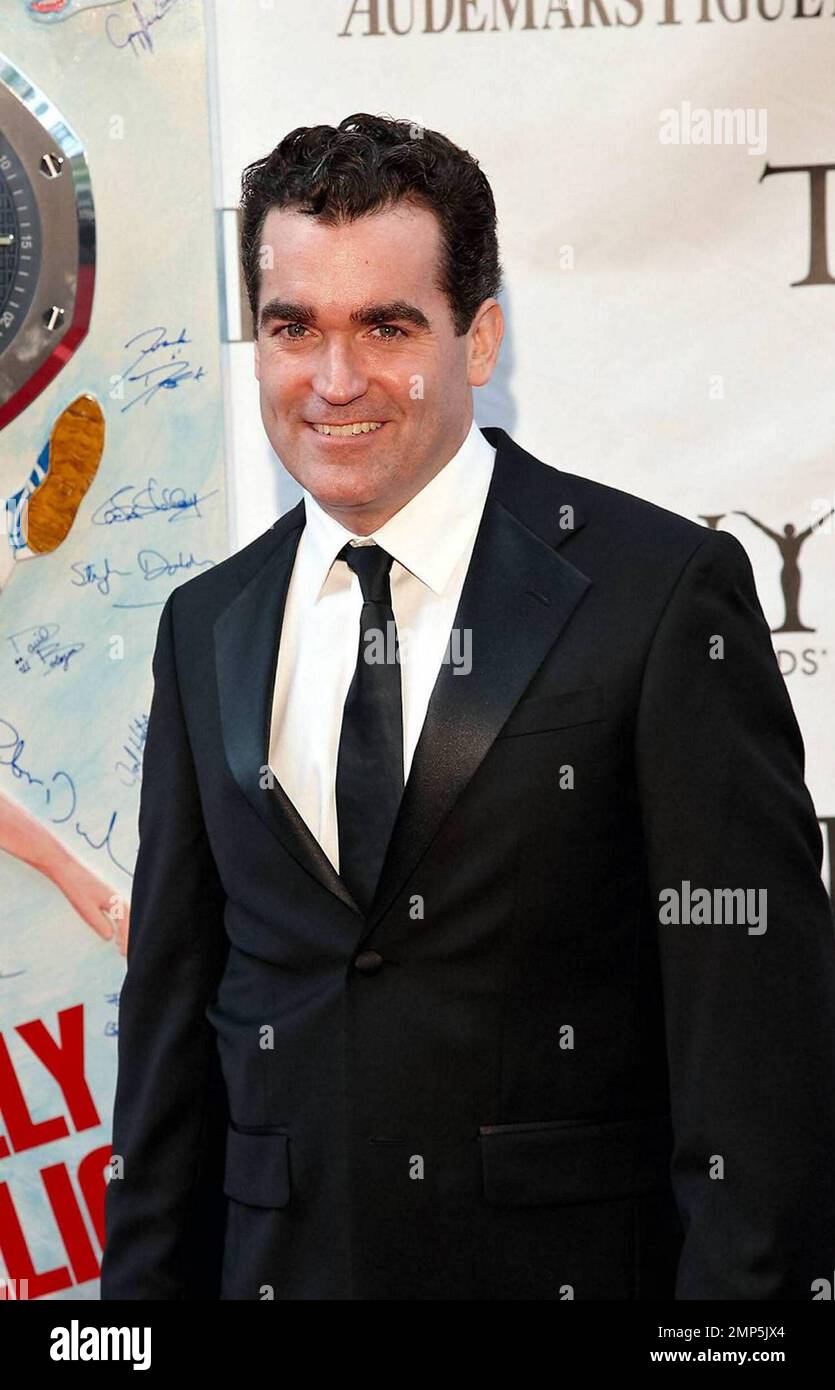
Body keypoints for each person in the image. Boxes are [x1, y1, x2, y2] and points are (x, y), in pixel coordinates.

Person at [100, 113, 835, 1301]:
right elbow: (176, 1026)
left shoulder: (652, 597)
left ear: (478, 336)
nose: (333, 382)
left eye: (386, 327)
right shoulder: (206, 624)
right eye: (294, 328)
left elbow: (752, 1050)